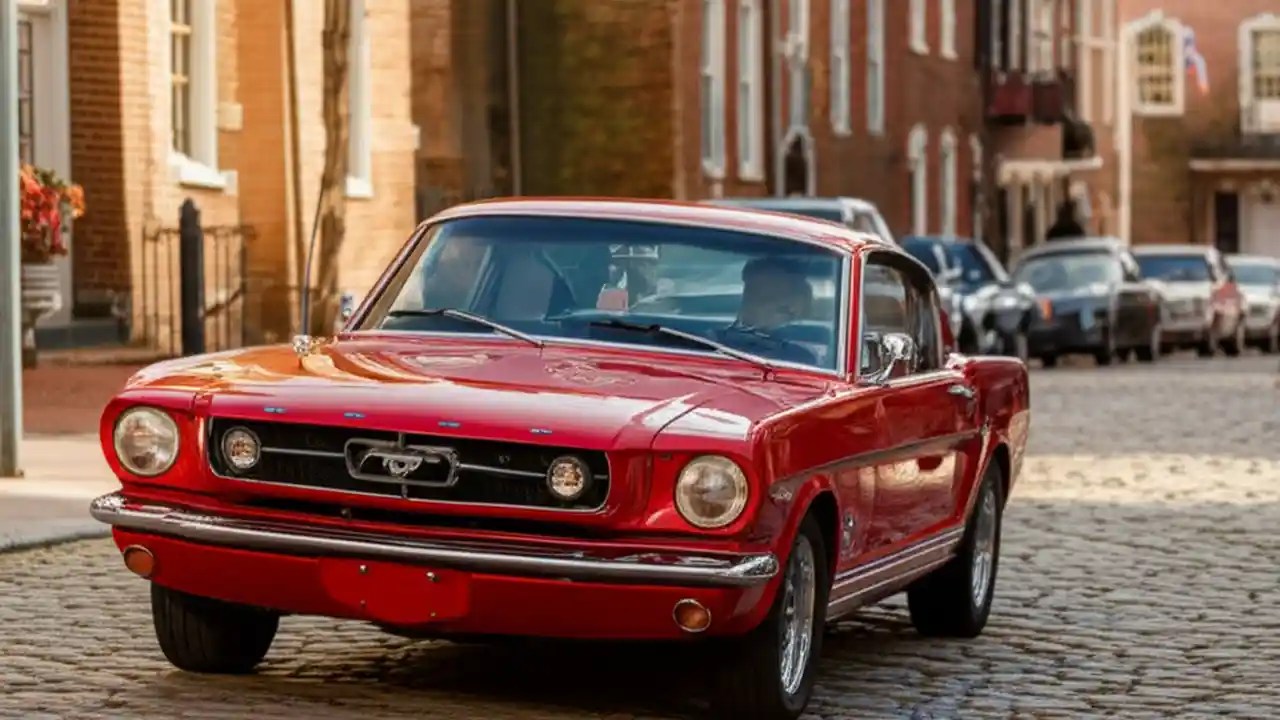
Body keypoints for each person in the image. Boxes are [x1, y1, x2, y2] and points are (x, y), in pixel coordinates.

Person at [720, 257, 820, 366]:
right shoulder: (714, 340)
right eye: (750, 292)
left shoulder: (805, 355)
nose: (752, 303)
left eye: (766, 298)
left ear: (791, 306)